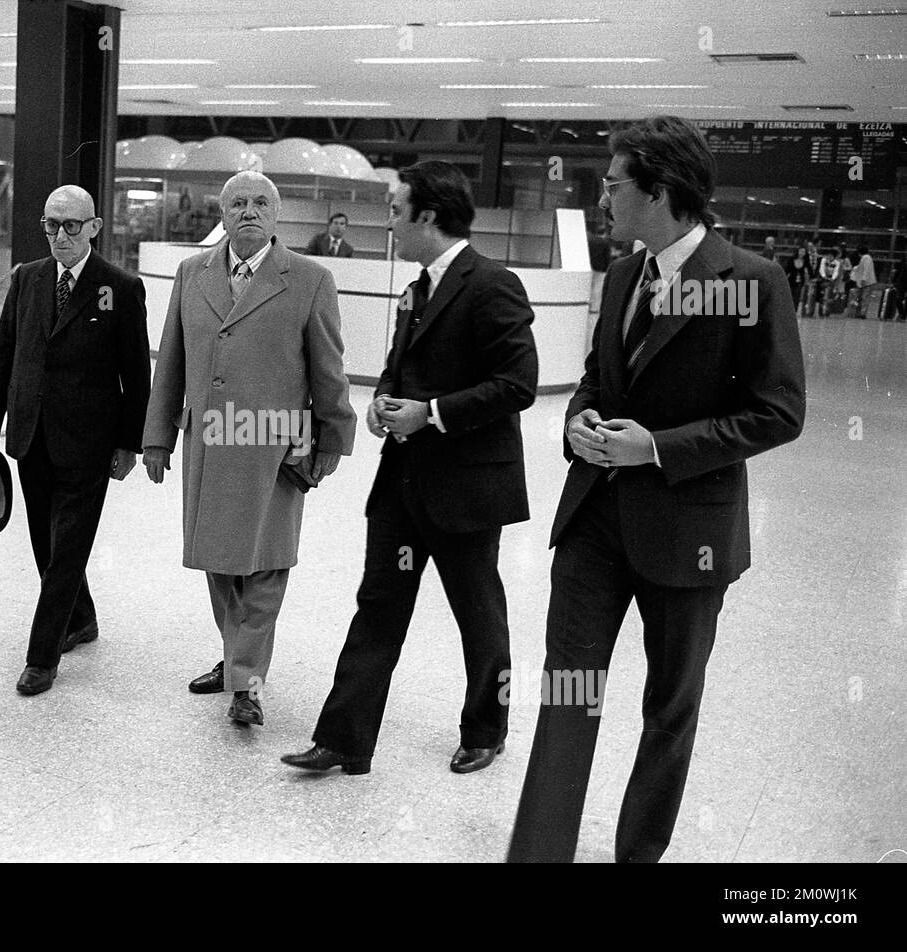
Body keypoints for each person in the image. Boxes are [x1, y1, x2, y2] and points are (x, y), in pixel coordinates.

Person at [506, 115, 805, 863]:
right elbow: (598, 379)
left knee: (669, 707)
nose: (603, 196)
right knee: (569, 689)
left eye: (614, 185)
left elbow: (778, 412)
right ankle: (540, 852)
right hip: (594, 521)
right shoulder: (621, 276)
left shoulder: (752, 281)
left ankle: (638, 854)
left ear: (660, 190)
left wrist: (659, 449)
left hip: (689, 535)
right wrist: (577, 421)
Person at [281, 161, 538, 777]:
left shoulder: (492, 284)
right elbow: (401, 368)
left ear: (428, 216)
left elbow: (518, 383)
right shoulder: (417, 287)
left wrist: (433, 413)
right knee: (378, 606)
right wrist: (383, 401)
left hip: (466, 488)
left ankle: (487, 729)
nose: (390, 223)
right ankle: (343, 740)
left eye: (397, 211)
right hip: (402, 484)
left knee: (478, 612)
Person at [141, 170, 356, 726]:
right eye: (237, 203)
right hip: (209, 443)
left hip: (275, 447)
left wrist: (332, 437)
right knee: (218, 562)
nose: (249, 211)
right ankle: (238, 660)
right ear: (223, 214)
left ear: (276, 215)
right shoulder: (192, 273)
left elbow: (329, 369)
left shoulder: (309, 279)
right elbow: (171, 360)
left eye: (261, 202)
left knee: (265, 568)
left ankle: (246, 684)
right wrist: (157, 436)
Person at [0, 185, 151, 696]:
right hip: (31, 435)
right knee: (46, 546)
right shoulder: (27, 279)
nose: (60, 236)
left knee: (68, 550)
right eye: (51, 225)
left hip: (89, 443)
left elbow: (137, 374)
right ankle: (81, 618)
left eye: (72, 225)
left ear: (94, 227)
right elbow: (4, 355)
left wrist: (129, 444)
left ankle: (41, 657)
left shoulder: (119, 287)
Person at [848, 244, 876, 318]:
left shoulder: (866, 257)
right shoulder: (867, 257)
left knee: (864, 297)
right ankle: (859, 313)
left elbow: (866, 269)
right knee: (862, 297)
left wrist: (864, 279)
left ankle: (862, 313)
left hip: (866, 282)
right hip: (865, 281)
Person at [785, 245, 812, 311]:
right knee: (789, 296)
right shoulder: (791, 259)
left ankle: (794, 311)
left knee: (797, 297)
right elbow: (786, 270)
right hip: (791, 280)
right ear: (798, 251)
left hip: (800, 281)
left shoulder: (806, 261)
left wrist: (808, 275)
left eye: (803, 252)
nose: (802, 253)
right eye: (801, 251)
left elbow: (810, 271)